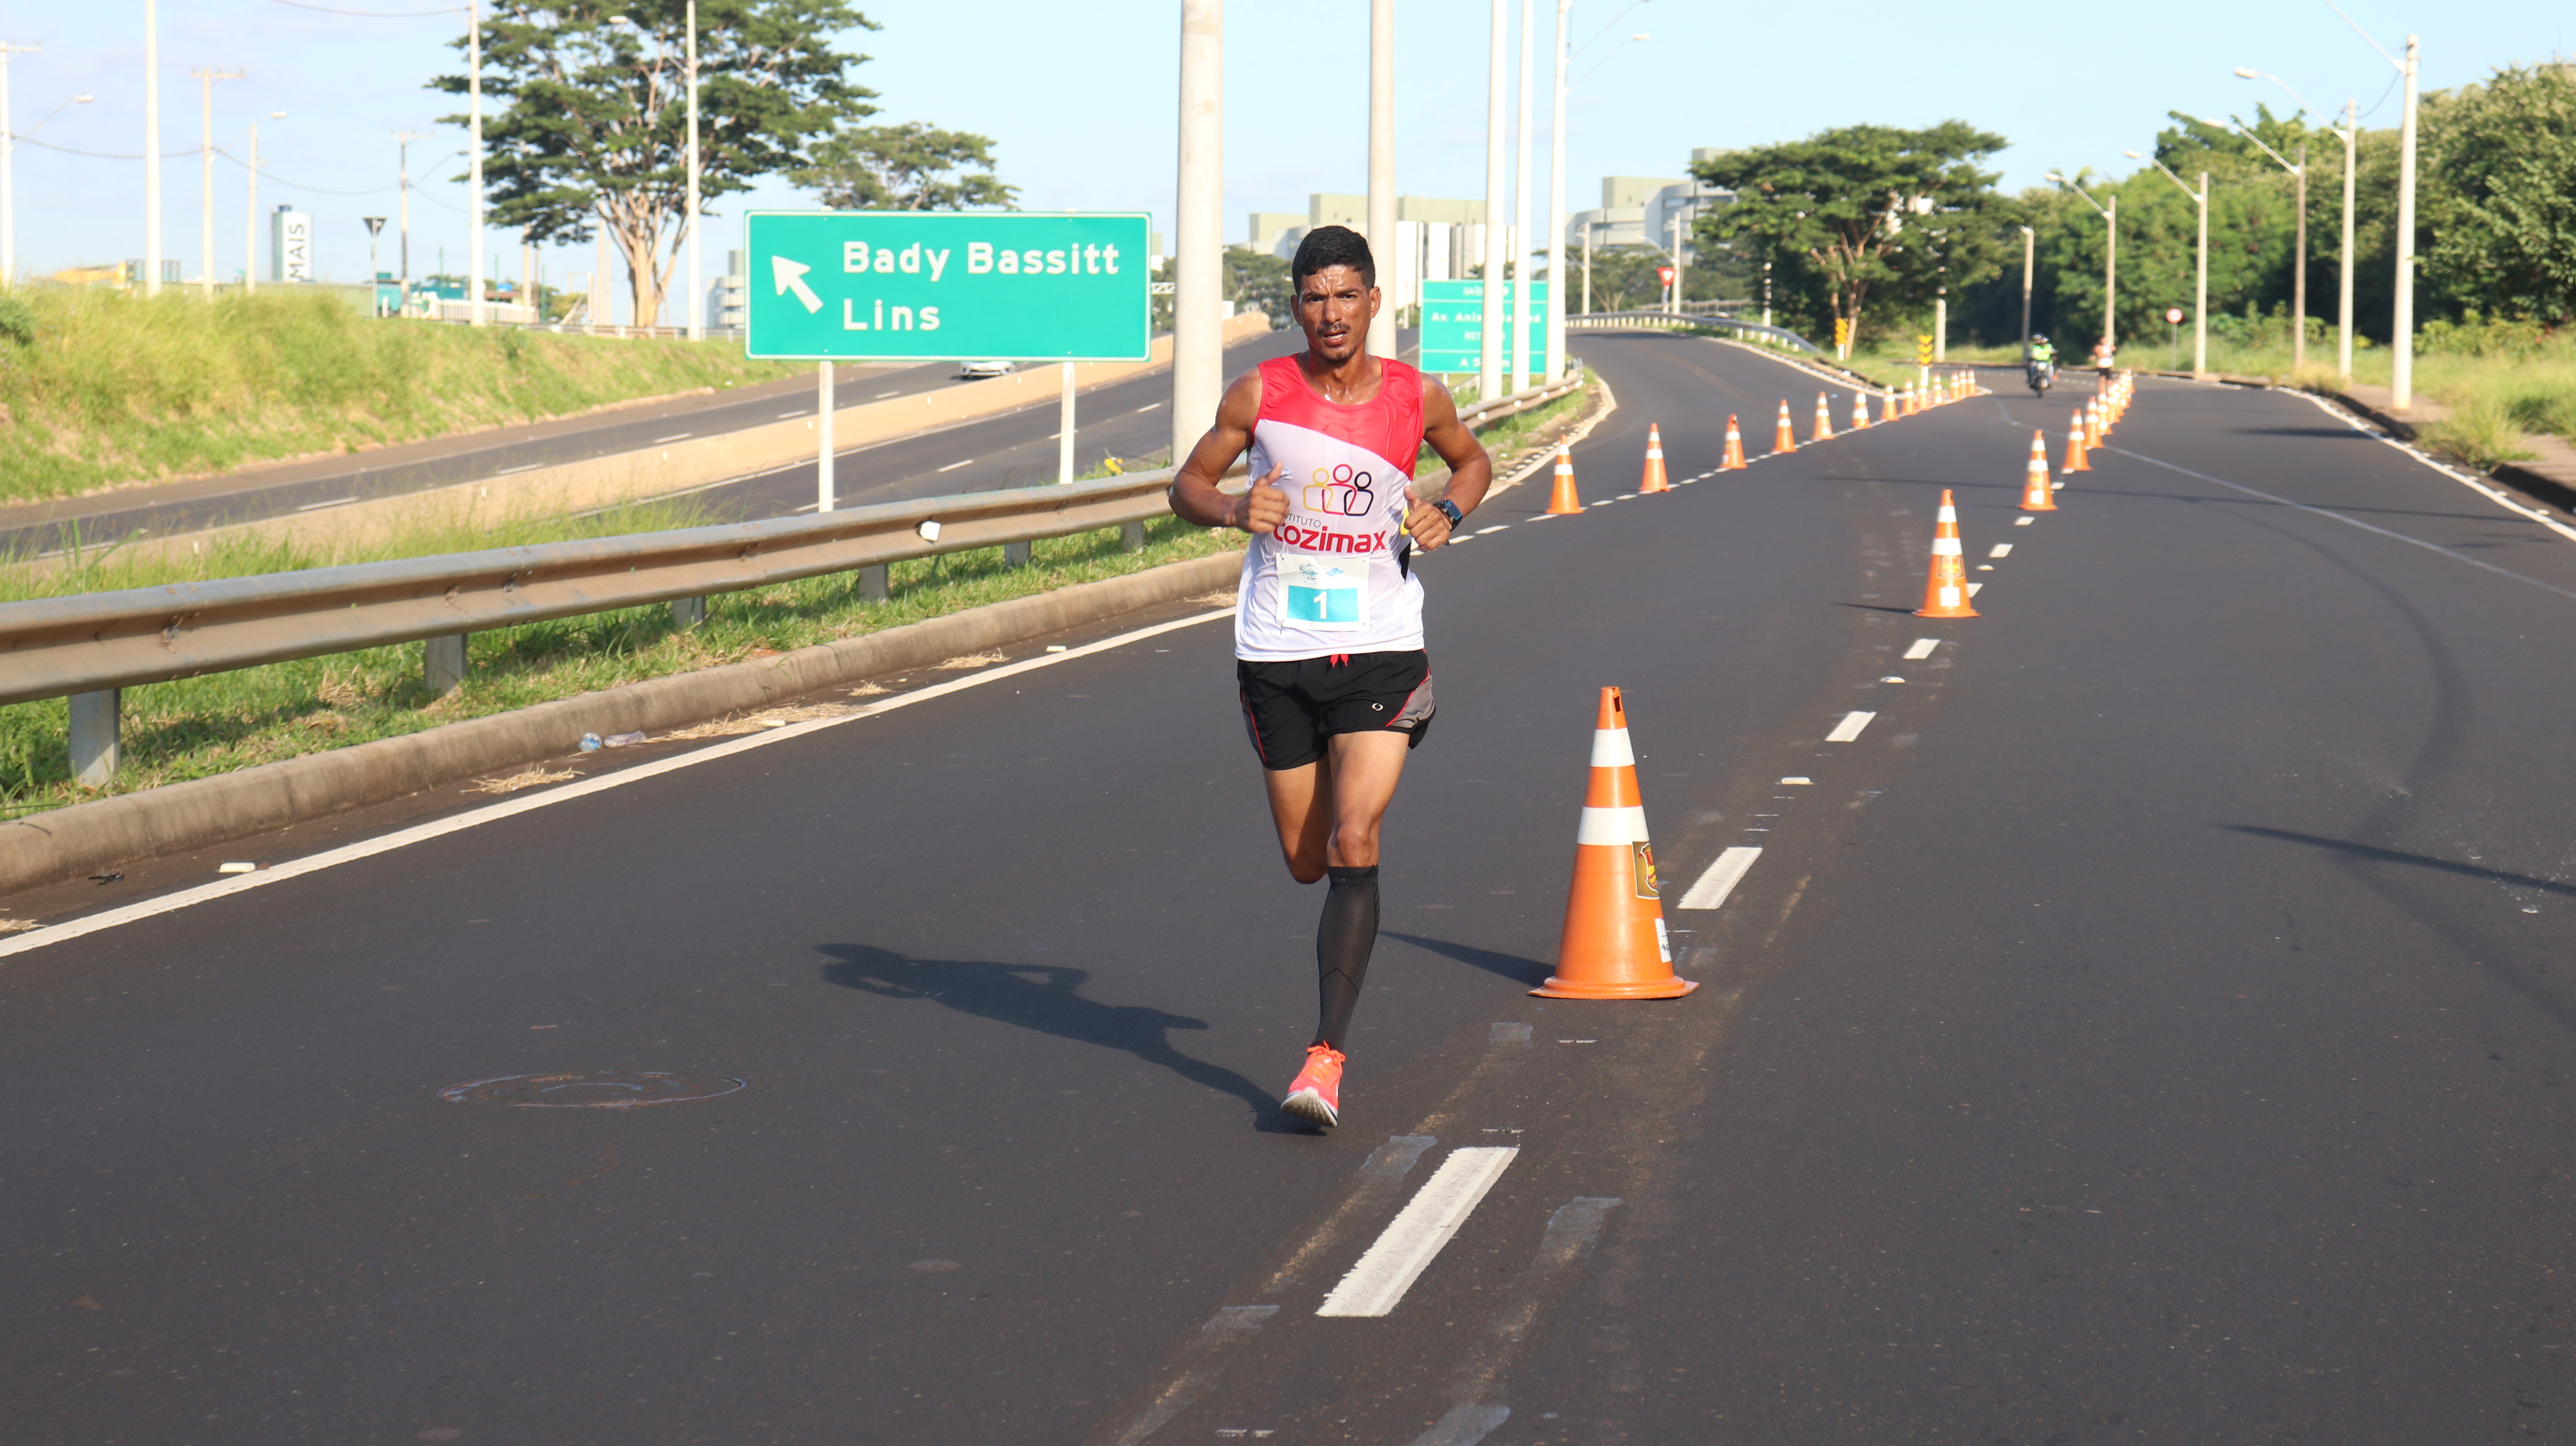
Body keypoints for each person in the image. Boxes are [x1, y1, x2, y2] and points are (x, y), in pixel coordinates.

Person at [1167, 225, 1495, 1129]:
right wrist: (1232, 505)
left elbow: (1473, 459)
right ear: (1297, 305)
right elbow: (1184, 484)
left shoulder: (1415, 394)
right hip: (1277, 652)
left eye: (1347, 295)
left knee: (1355, 840)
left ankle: (1325, 1057)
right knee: (1307, 861)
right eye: (1314, 296)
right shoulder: (1260, 393)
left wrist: (1450, 511)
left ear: (1375, 301)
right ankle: (1328, 1020)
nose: (1331, 313)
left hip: (1383, 646)